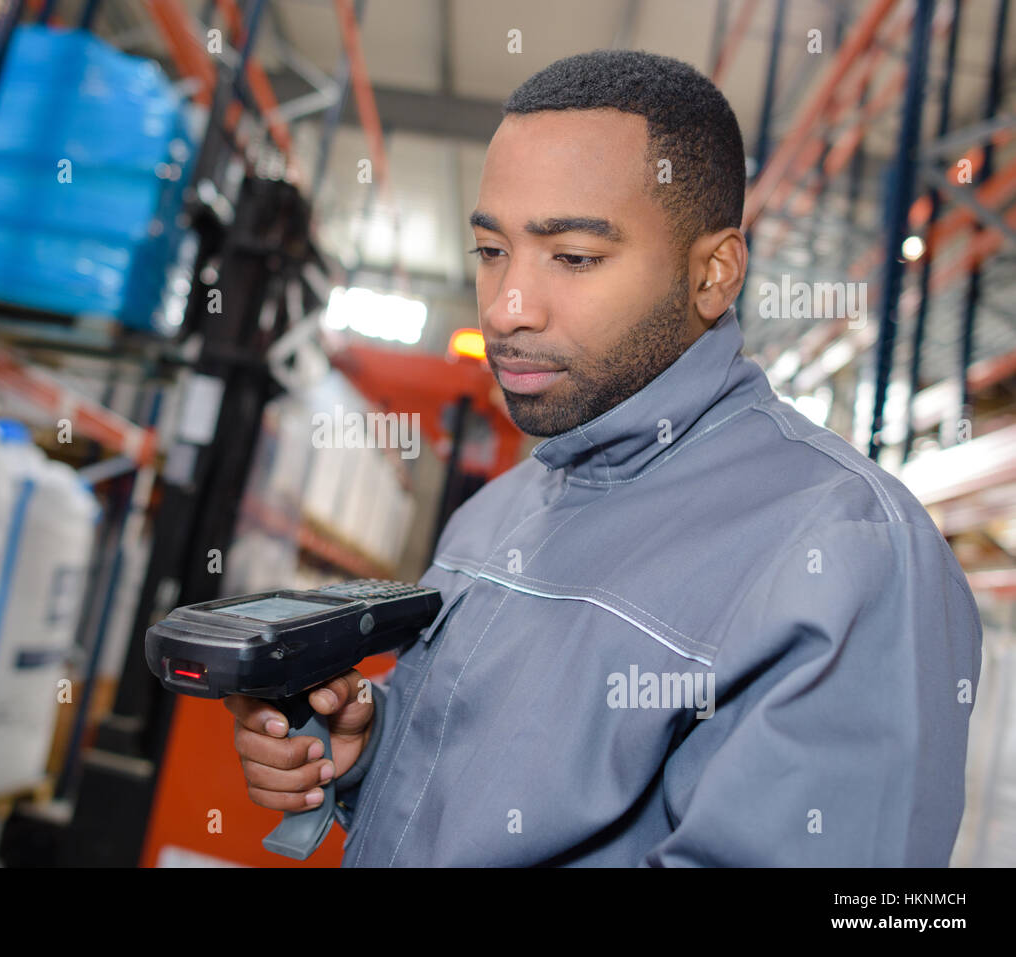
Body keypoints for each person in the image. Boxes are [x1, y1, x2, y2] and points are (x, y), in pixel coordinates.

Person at [226, 49, 983, 866]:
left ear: (714, 273)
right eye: (491, 251)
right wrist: (374, 755)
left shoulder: (848, 555)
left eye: (575, 257)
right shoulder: (494, 517)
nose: (509, 307)